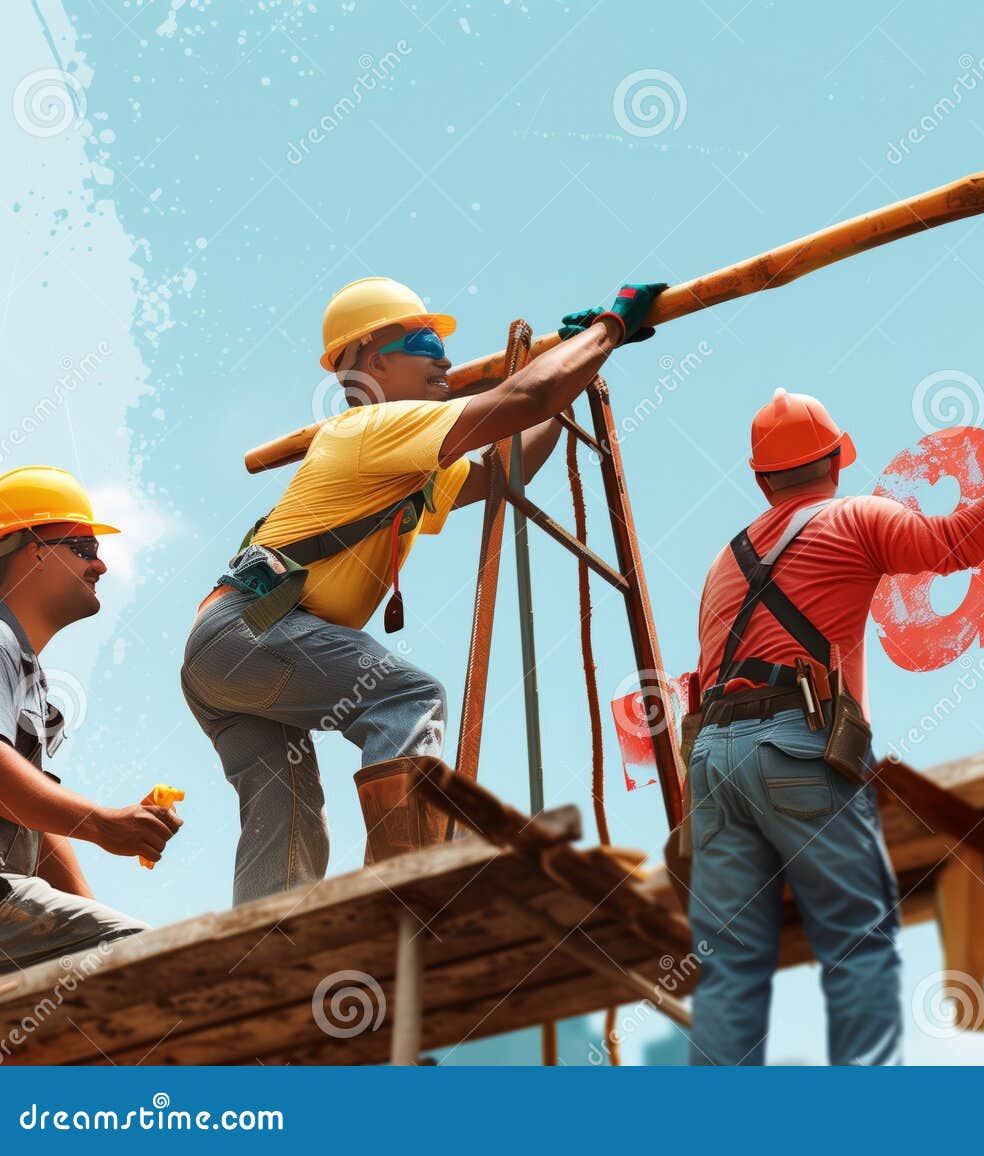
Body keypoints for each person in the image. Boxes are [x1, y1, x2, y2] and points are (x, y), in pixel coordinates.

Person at [180, 275, 663, 906]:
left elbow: (501, 469)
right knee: (407, 698)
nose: (445, 357)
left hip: (226, 652)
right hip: (253, 631)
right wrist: (610, 329)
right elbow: (524, 396)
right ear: (374, 362)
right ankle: (405, 891)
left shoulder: (404, 460)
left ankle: (266, 946)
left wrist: (564, 385)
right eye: (424, 339)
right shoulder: (372, 428)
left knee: (288, 819)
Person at [685, 385, 984, 1065]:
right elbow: (955, 545)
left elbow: (697, 681)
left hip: (711, 758)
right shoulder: (854, 518)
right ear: (835, 461)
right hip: (795, 742)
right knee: (856, 941)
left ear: (762, 478)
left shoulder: (723, 562)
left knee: (730, 966)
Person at [0, 465, 181, 972]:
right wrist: (101, 824)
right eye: (83, 549)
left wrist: (94, 913)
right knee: (155, 966)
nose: (100, 565)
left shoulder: (31, 681)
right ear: (33, 550)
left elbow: (25, 813)